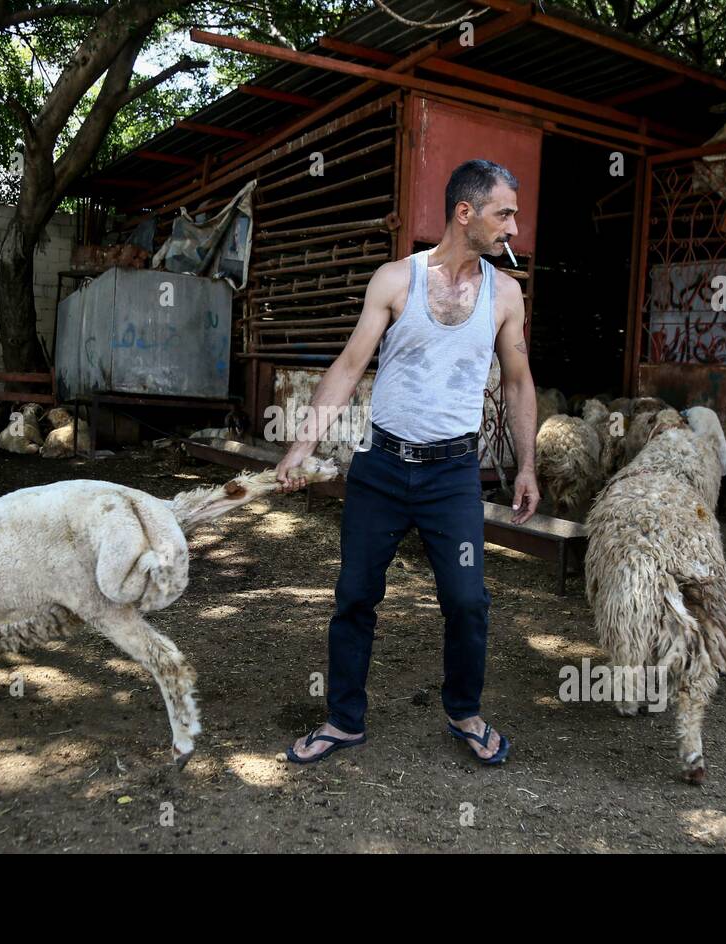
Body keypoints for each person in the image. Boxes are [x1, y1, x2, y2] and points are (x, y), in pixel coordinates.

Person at [275, 159, 539, 764]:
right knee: (355, 595)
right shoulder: (395, 280)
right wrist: (301, 447)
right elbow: (348, 367)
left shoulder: (505, 293)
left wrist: (526, 466)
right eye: (505, 214)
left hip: (452, 475)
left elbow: (520, 383)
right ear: (464, 212)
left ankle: (464, 711)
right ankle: (343, 719)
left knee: (468, 600)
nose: (513, 229)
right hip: (383, 467)